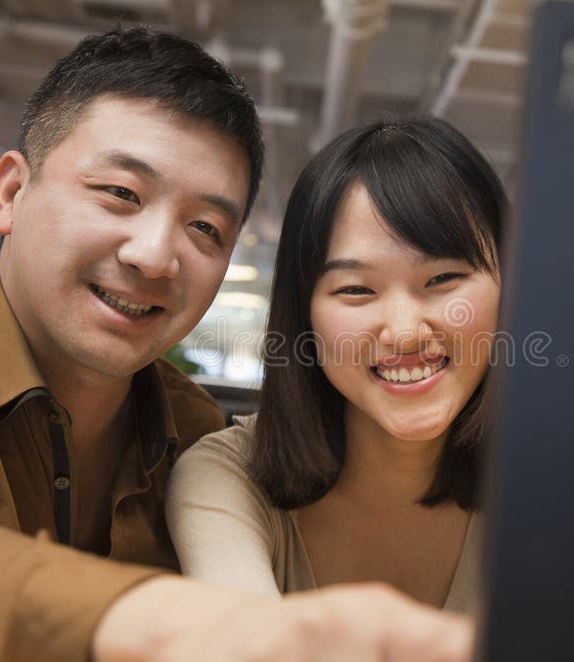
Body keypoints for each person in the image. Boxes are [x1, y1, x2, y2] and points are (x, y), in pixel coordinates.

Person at [0, 29, 471, 661]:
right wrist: (187, 627)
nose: (155, 255)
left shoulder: (191, 432)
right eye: (120, 194)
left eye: (204, 227)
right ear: (10, 192)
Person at [167, 114, 505, 613]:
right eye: (355, 289)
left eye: (443, 278)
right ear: (304, 316)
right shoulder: (229, 476)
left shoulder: (559, 490)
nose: (405, 331)